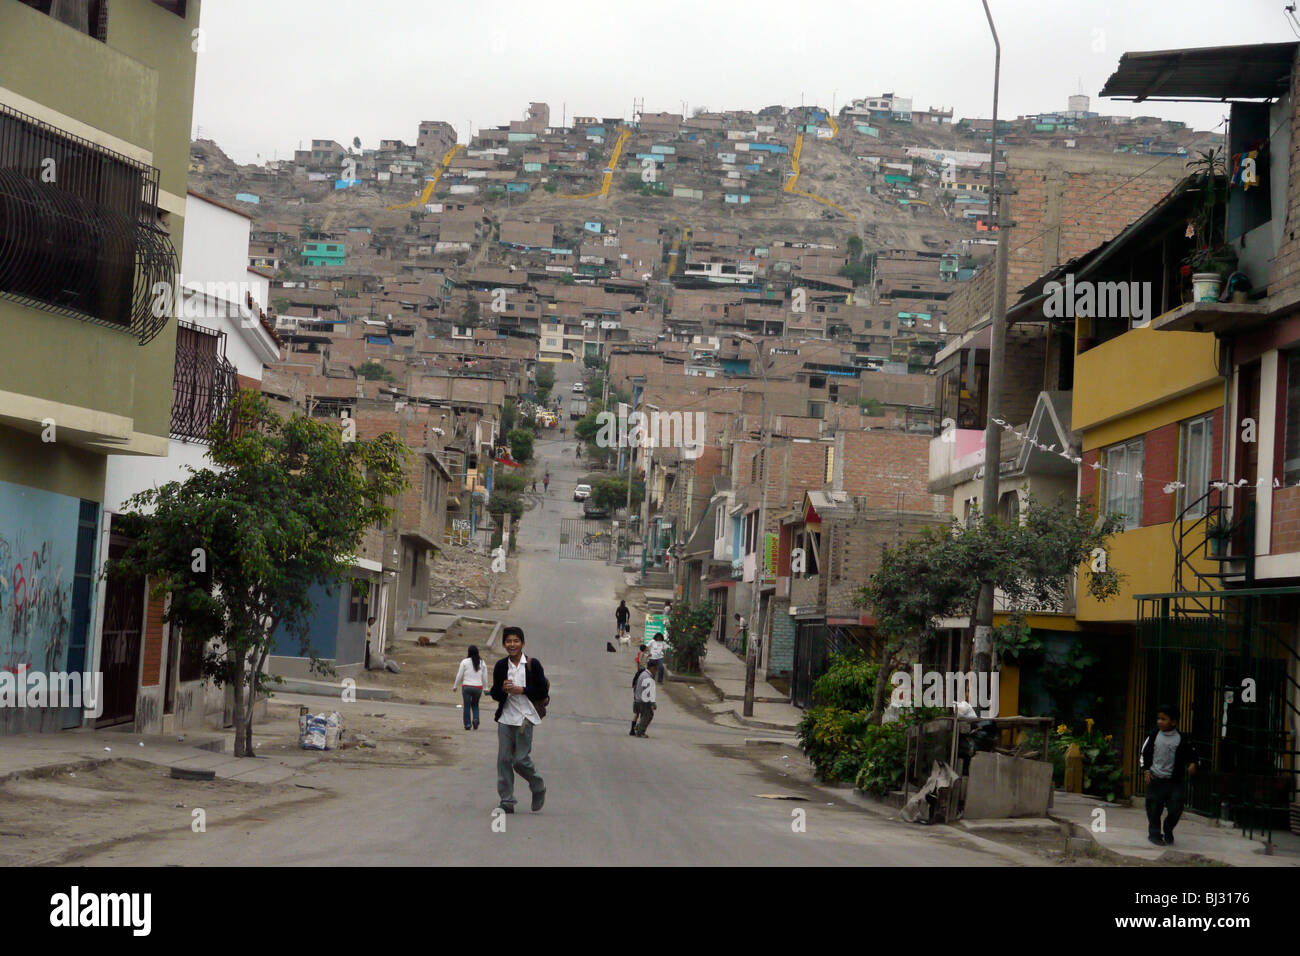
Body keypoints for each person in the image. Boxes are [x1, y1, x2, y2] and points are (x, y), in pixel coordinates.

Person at [489, 626, 548, 813]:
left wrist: (521, 690)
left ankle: (537, 785)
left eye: (515, 641)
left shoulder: (533, 665)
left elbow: (542, 691)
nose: (512, 645)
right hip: (506, 718)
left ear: (522, 643)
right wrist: (503, 690)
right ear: (504, 644)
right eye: (508, 641)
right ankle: (507, 800)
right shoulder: (500, 666)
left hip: (525, 718)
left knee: (520, 760)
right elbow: (495, 695)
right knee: (504, 760)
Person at [1140, 703, 1199, 847]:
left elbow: (1192, 754)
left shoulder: (1182, 738)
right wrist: (1146, 770)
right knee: (1153, 809)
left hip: (1174, 782)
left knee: (1176, 808)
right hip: (1156, 779)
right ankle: (1154, 834)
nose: (1159, 721)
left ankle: (1168, 828)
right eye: (1158, 718)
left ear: (1173, 722)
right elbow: (1145, 753)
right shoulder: (1154, 735)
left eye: (1163, 719)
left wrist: (1193, 763)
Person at [452, 644, 489, 731]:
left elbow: (459, 675)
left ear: (468, 652)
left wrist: (455, 686)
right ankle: (476, 719)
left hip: (467, 687)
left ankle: (468, 724)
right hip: (478, 688)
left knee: (467, 706)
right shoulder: (482, 662)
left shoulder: (464, 662)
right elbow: (485, 676)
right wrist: (486, 688)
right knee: (475, 705)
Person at [634, 661, 657, 737]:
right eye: (655, 669)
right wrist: (653, 703)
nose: (655, 671)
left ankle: (639, 727)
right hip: (643, 700)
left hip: (639, 698)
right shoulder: (647, 677)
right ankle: (640, 732)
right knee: (647, 715)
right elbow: (648, 692)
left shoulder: (644, 674)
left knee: (647, 714)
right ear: (652, 668)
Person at [629, 658, 647, 736]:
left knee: (636, 714)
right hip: (641, 700)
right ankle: (638, 729)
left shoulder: (636, 680)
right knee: (643, 715)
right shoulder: (643, 679)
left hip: (636, 699)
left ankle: (632, 730)